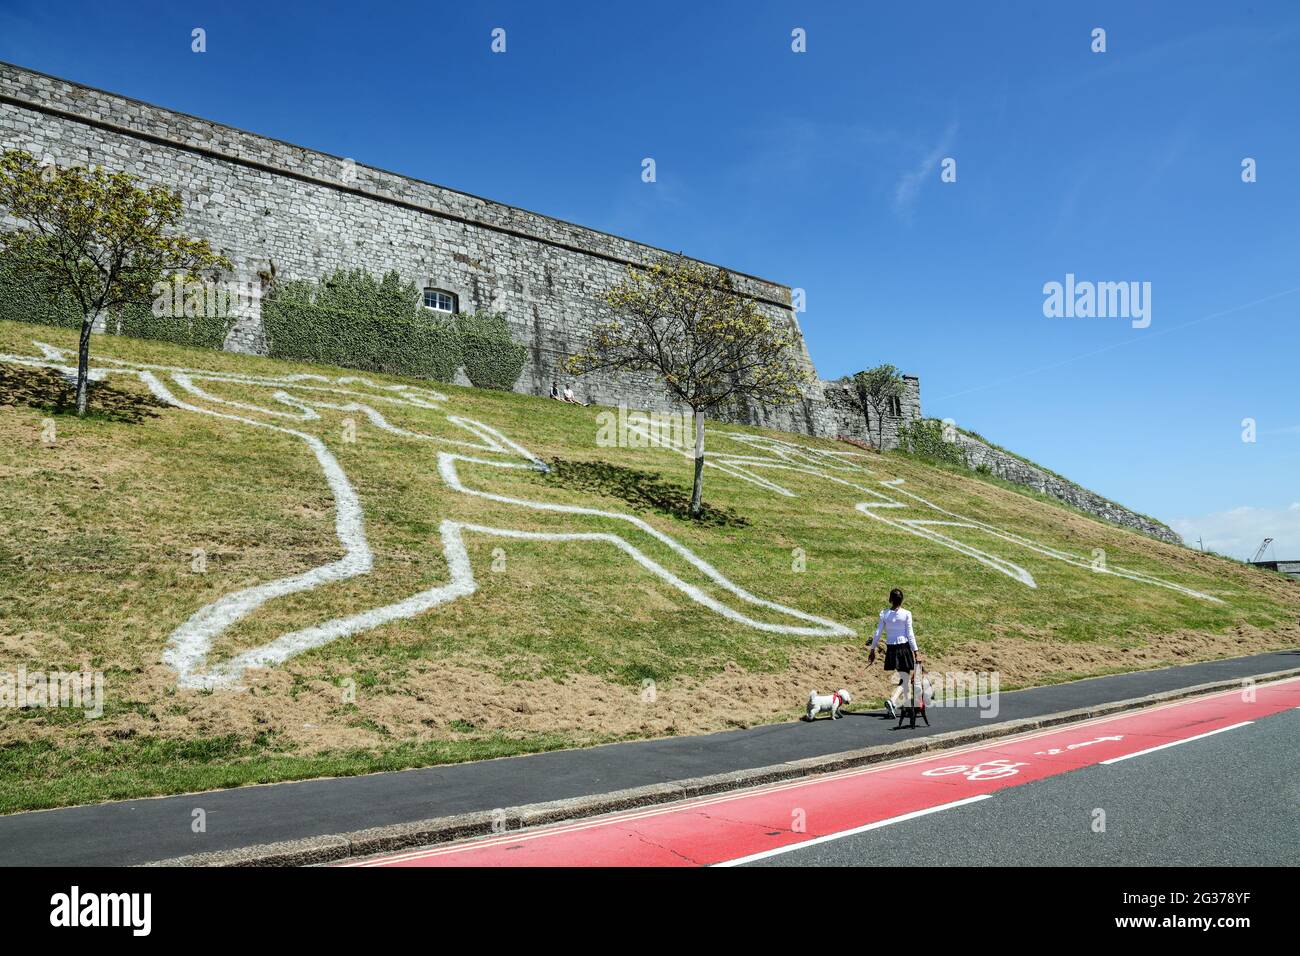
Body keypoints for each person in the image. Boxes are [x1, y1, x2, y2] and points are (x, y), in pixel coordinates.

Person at [867, 587, 921, 719]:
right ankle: (892, 700)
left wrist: (872, 649)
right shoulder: (906, 614)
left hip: (891, 649)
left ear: (890, 599)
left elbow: (878, 633)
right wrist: (916, 651)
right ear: (902, 600)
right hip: (903, 647)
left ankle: (907, 707)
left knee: (904, 678)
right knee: (906, 679)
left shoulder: (884, 614)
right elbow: (910, 634)